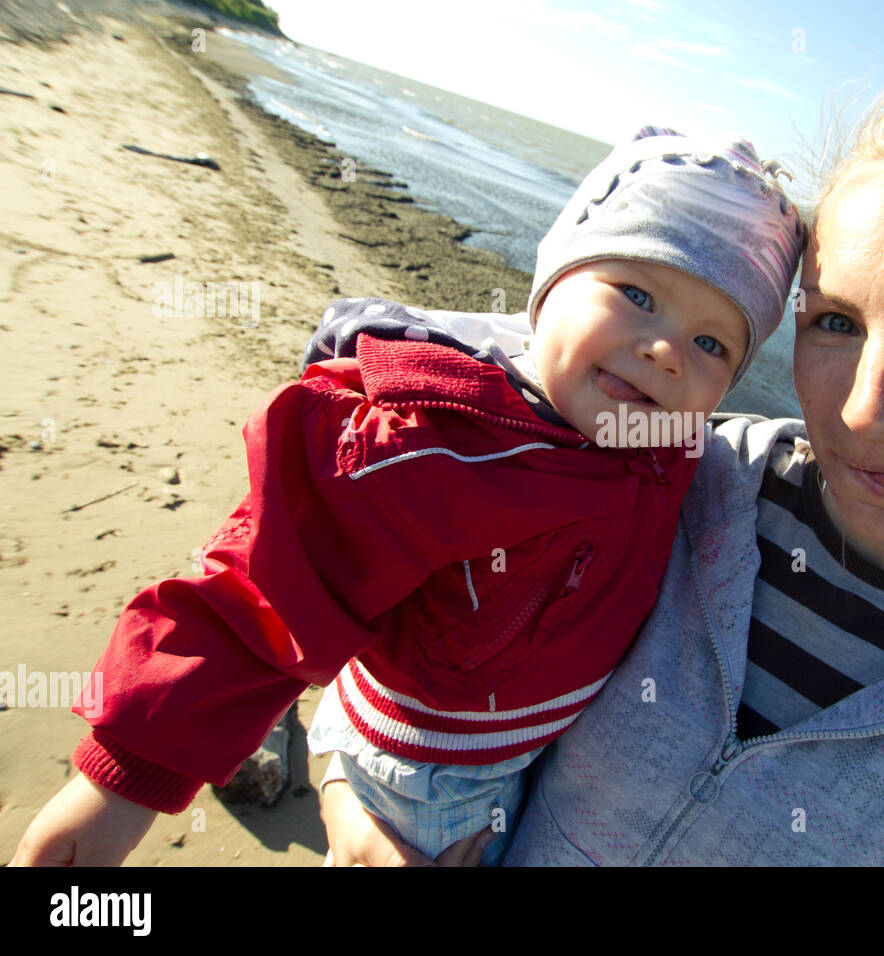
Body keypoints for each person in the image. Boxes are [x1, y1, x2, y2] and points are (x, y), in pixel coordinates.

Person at [322, 67, 884, 866]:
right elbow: (416, 652)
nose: (865, 410)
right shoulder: (666, 478)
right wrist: (350, 804)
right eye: (836, 322)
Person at [7, 128, 805, 867]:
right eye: (635, 293)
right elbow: (267, 596)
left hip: (533, 759)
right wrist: (123, 781)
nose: (666, 349)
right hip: (421, 773)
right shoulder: (437, 445)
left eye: (712, 343)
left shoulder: (667, 450)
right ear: (551, 285)